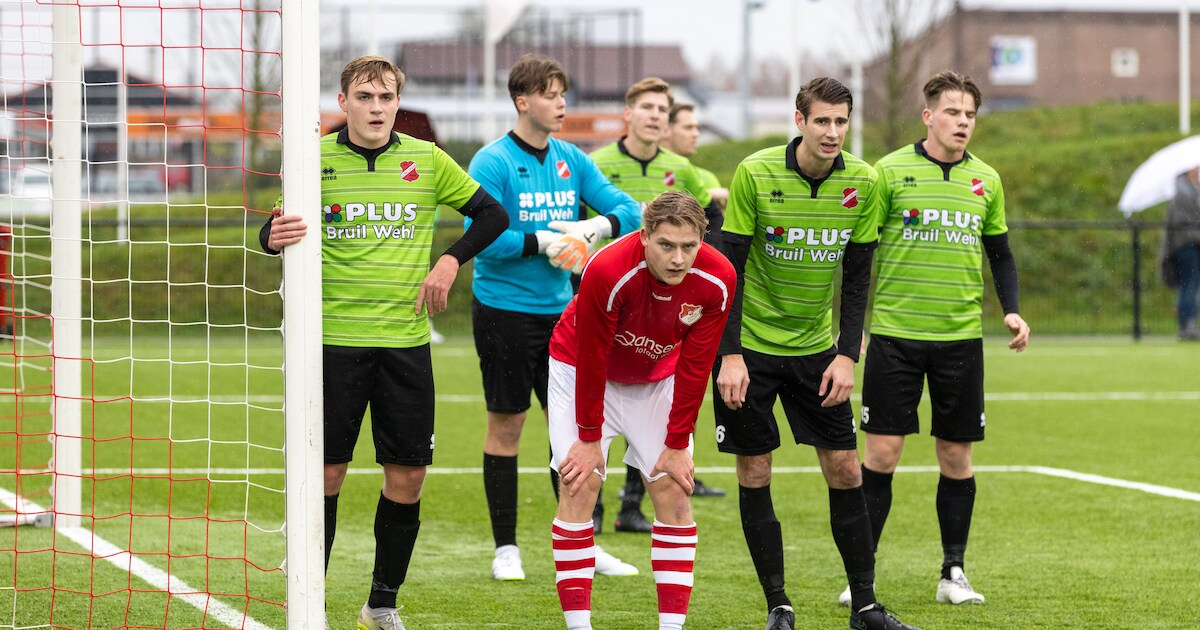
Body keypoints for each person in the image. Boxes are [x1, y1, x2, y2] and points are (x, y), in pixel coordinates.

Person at [260, 56, 509, 630]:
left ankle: (381, 603)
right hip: (332, 343)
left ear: (399, 102)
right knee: (325, 474)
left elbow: (493, 216)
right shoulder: (310, 159)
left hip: (404, 344)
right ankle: (309, 604)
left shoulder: (426, 159)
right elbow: (276, 230)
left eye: (387, 97)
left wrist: (450, 260)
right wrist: (270, 236)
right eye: (365, 96)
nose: (377, 107)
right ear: (343, 102)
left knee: (408, 476)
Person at [712, 77, 921, 630]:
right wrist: (729, 355)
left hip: (817, 352)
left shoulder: (864, 182)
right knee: (755, 470)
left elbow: (857, 278)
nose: (832, 132)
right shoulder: (755, 173)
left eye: (841, 121)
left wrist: (847, 355)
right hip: (751, 351)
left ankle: (866, 606)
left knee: (846, 469)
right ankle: (778, 606)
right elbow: (726, 270)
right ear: (799, 120)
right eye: (822, 121)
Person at [850, 70, 1031, 609]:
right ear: (928, 116)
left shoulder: (987, 181)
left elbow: (1000, 253)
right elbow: (860, 254)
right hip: (894, 338)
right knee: (881, 455)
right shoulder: (889, 172)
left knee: (956, 456)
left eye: (970, 115)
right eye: (952, 112)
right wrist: (852, 326)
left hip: (959, 340)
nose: (963, 122)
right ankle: (863, 575)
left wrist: (1014, 311)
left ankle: (953, 571)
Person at [467, 52, 642, 581]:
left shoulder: (571, 158)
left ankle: (582, 544)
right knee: (507, 427)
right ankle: (506, 549)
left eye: (563, 94)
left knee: (571, 432)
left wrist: (592, 230)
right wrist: (545, 240)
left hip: (565, 319)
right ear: (523, 101)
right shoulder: (492, 161)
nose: (562, 103)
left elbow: (630, 210)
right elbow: (486, 238)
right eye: (551, 94)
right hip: (503, 313)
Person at [550, 190, 736, 630]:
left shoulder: (719, 277)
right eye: (666, 245)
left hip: (655, 378)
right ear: (645, 235)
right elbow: (594, 358)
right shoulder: (608, 269)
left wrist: (676, 446)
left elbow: (696, 366)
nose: (678, 259)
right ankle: (579, 627)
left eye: (688, 246)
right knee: (580, 484)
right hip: (579, 370)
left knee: (673, 488)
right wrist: (590, 439)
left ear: (702, 240)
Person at [588, 78, 728, 533]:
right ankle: (592, 508)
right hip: (606, 296)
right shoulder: (598, 163)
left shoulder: (680, 169)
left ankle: (632, 504)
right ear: (628, 113)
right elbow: (580, 223)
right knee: (591, 395)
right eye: (645, 107)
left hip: (665, 303)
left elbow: (709, 220)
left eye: (661, 110)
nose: (654, 116)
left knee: (645, 400)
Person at [662, 102, 729, 227]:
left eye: (696, 128)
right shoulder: (643, 168)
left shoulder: (707, 177)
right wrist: (705, 196)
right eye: (688, 128)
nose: (696, 134)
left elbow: (715, 227)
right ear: (665, 130)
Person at [1161, 167, 1200, 340]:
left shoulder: (1193, 190)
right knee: (1189, 286)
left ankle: (1189, 325)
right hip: (1186, 246)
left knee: (1192, 285)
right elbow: (1183, 223)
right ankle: (1186, 326)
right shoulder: (1182, 193)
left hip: (1193, 244)